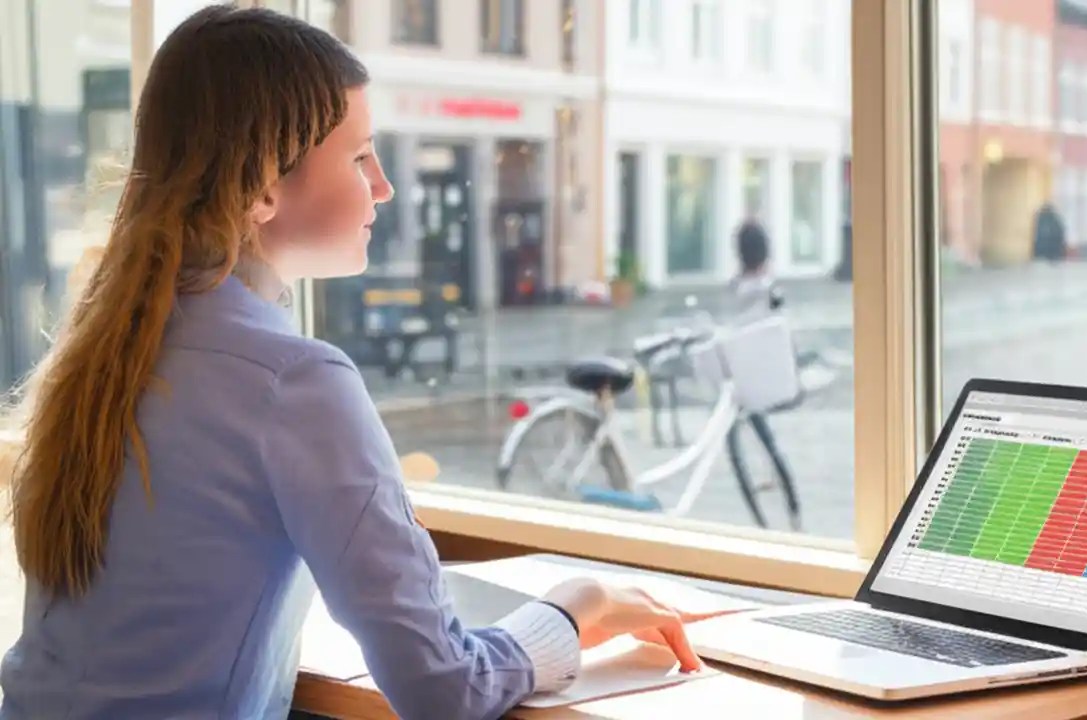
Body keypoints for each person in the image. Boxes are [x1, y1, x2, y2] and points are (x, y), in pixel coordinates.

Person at [0, 7, 711, 719]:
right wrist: (575, 608)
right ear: (263, 187)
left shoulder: (110, 349)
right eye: (360, 157)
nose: (384, 186)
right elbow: (445, 689)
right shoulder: (292, 380)